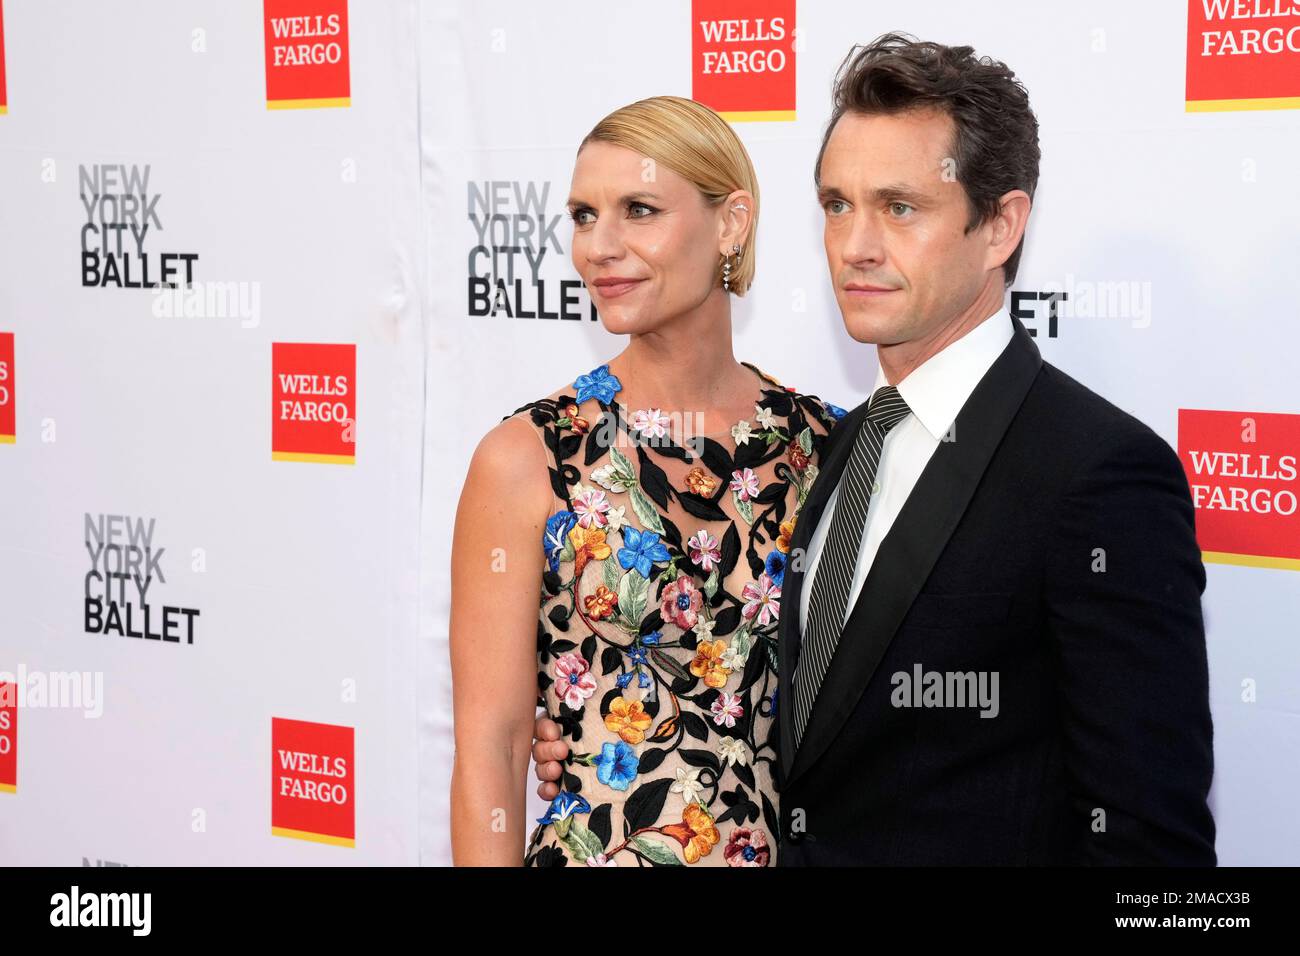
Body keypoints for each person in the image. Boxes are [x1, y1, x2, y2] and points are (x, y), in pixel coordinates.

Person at [532, 34, 1216, 865]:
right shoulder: (838, 442)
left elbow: (1153, 845)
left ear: (999, 226)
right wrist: (595, 722)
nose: (855, 244)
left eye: (899, 208)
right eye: (836, 204)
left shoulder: (1098, 473)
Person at [449, 95, 844, 866]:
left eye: (638, 210)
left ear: (731, 223)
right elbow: (489, 753)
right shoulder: (529, 456)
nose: (600, 246)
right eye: (583, 215)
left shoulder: (825, 445)